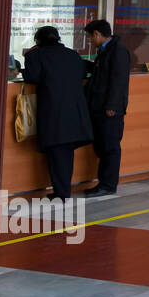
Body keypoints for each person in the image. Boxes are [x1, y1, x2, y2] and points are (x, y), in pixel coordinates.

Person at [21, 26, 93, 200]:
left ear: (37, 41)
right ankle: (62, 190)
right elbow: (83, 73)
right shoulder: (73, 55)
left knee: (58, 154)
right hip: (75, 111)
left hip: (53, 112)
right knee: (64, 153)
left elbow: (33, 77)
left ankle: (62, 193)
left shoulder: (35, 55)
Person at [84, 18, 128, 197]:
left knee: (110, 146)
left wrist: (112, 105)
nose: (90, 42)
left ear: (97, 34)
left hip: (110, 109)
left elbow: (119, 81)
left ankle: (108, 185)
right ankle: (103, 182)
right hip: (99, 106)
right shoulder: (105, 50)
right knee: (102, 145)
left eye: (90, 38)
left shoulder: (118, 51)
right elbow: (98, 71)